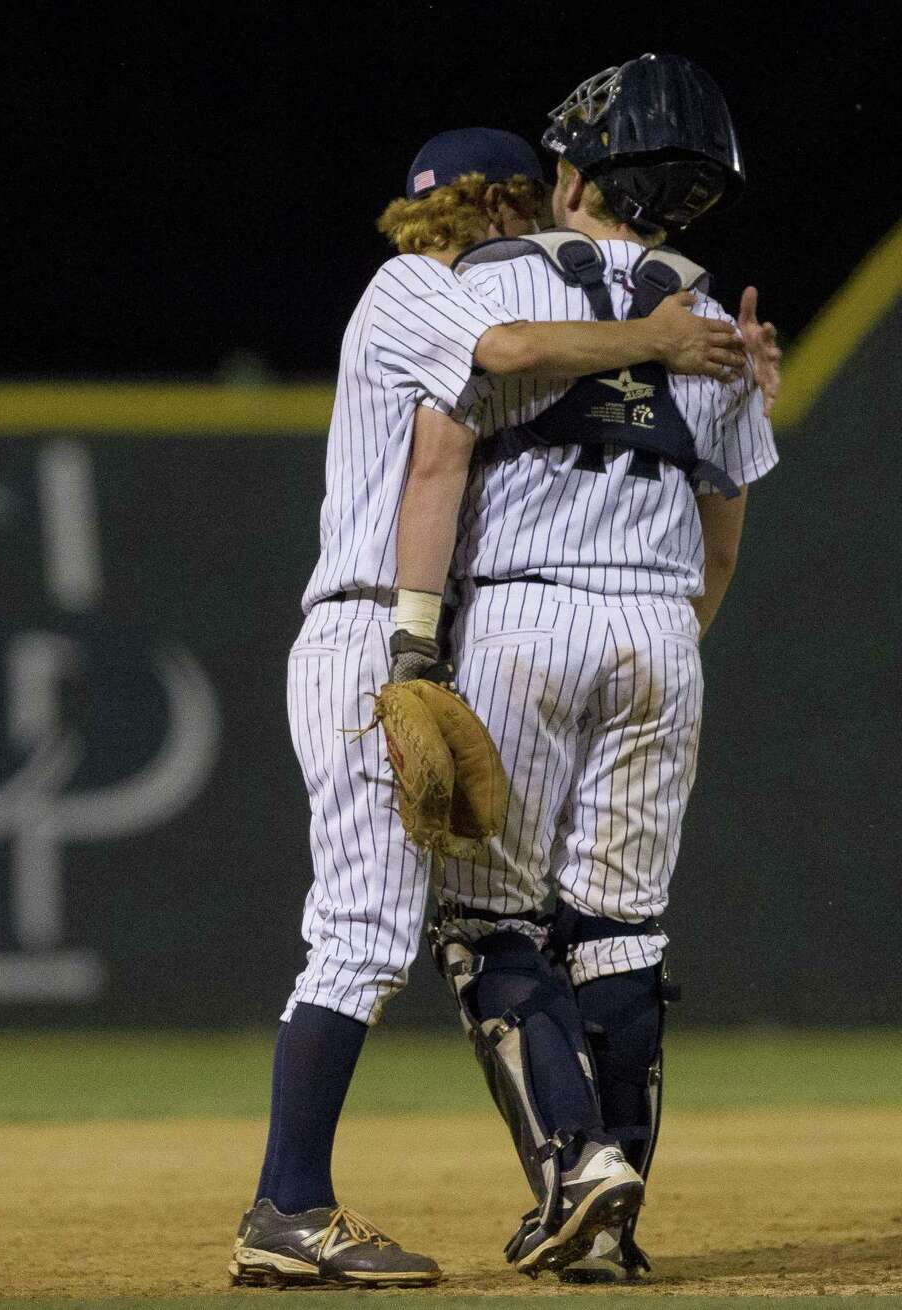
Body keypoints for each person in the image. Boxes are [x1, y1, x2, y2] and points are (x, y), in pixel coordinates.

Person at [228, 125, 749, 1290]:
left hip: (420, 624)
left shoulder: (465, 289)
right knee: (364, 927)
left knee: (409, 925)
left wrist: (700, 360)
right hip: (376, 623)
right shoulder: (421, 287)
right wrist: (669, 336)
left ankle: (559, 1184)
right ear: (507, 204)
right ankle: (289, 1206)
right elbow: (516, 347)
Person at [391, 55, 779, 1280]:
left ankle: (577, 1163)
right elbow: (724, 531)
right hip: (662, 628)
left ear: (576, 173)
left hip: (523, 616)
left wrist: (413, 642)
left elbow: (441, 460)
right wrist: (667, 650)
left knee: (487, 925)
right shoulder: (718, 326)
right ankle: (613, 1225)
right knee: (621, 933)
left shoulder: (498, 277)